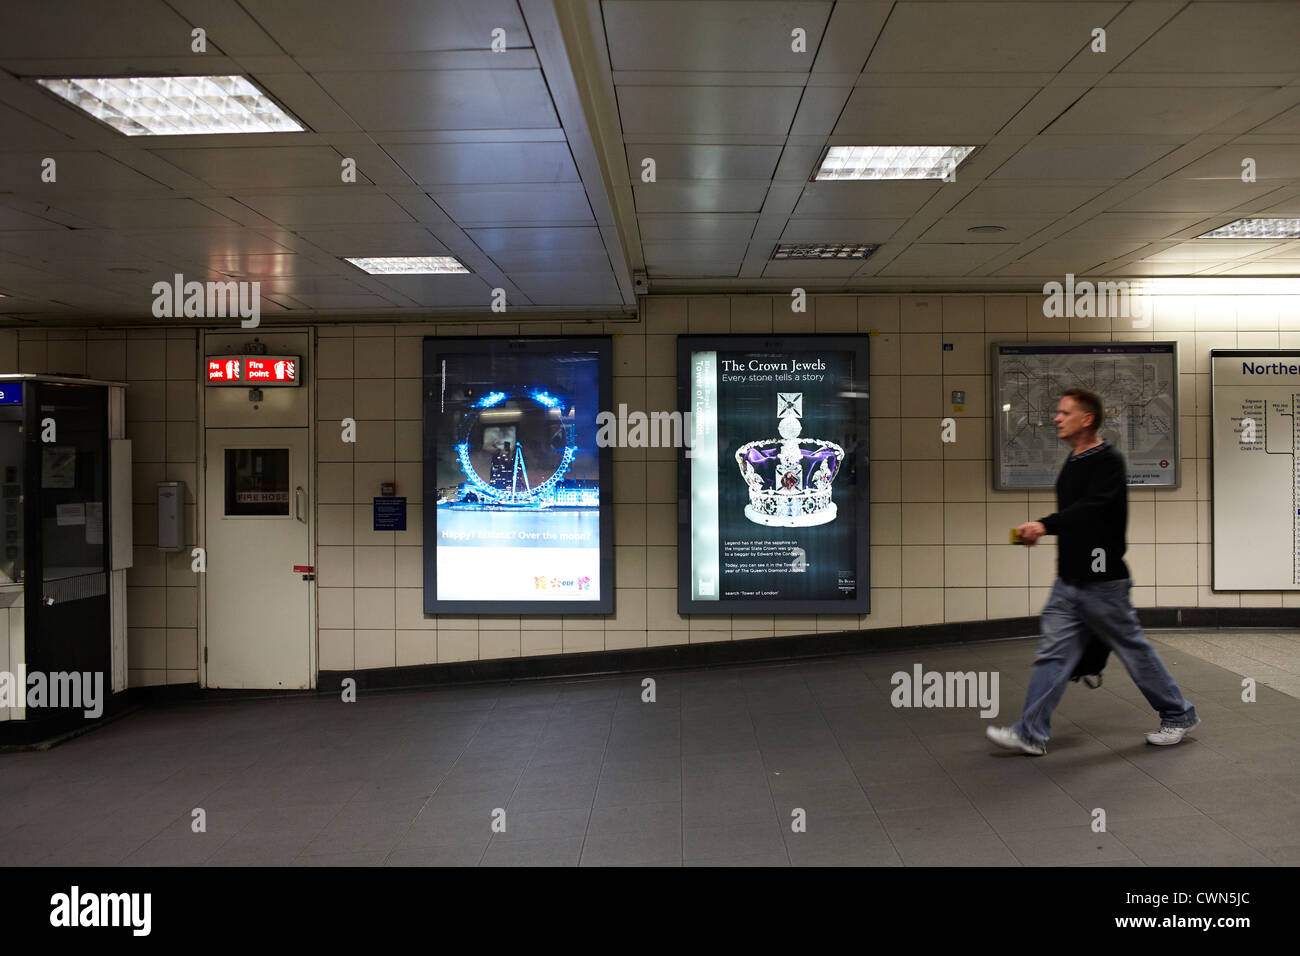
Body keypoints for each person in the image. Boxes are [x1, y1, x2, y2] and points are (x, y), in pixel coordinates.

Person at [986, 388, 1199, 755]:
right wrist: (1047, 533)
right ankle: (1031, 733)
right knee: (1053, 654)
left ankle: (1178, 714)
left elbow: (1093, 509)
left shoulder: (1108, 461)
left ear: (1086, 419)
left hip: (1103, 581)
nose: (1056, 417)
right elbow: (1078, 516)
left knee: (1133, 650)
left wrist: (1043, 525)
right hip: (1069, 580)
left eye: (1064, 412)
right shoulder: (1074, 459)